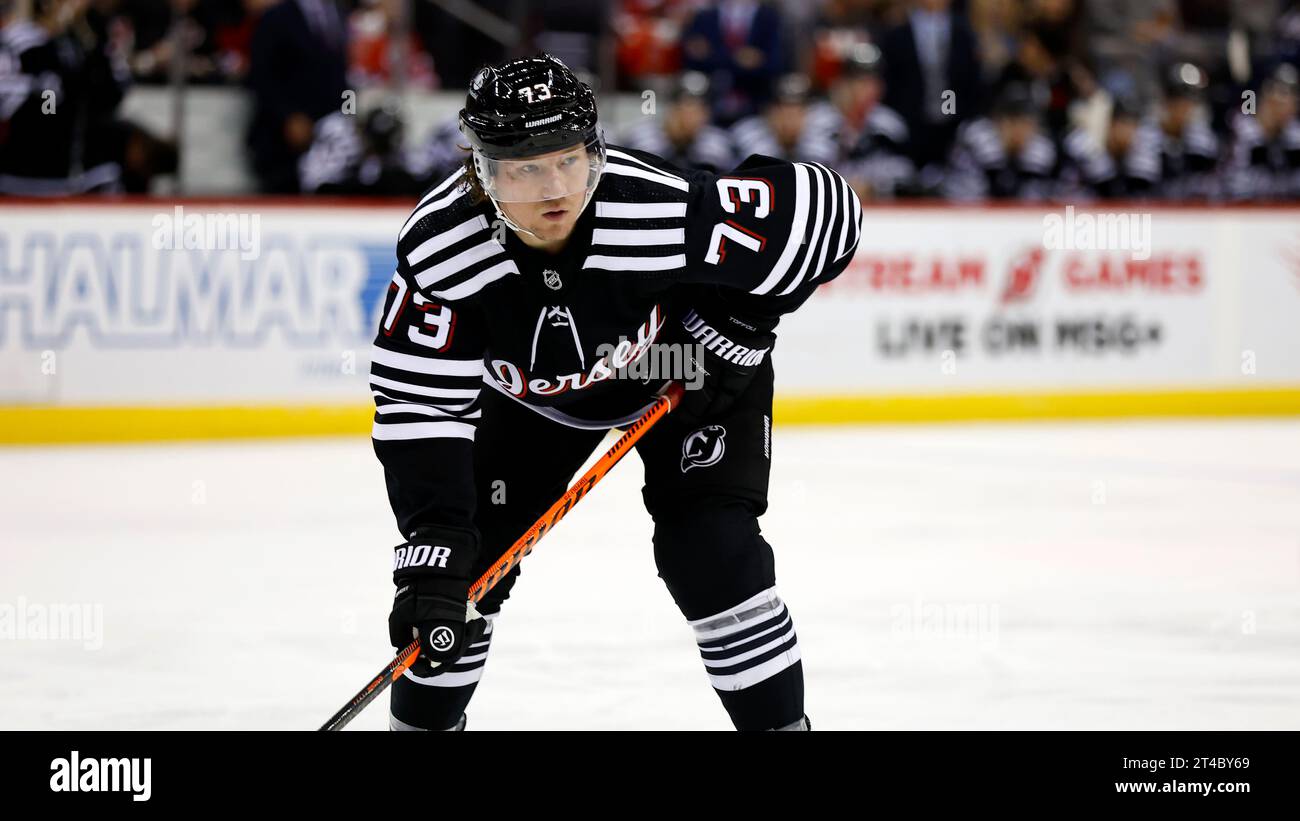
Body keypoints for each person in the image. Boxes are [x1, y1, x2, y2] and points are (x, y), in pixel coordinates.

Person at [370, 54, 862, 731]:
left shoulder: (654, 207)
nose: (556, 190)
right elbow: (422, 405)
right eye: (525, 169)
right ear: (480, 173)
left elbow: (827, 213)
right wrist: (433, 547)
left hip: (680, 369)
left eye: (570, 160)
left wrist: (737, 321)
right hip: (526, 404)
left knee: (715, 557)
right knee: (461, 585)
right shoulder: (441, 250)